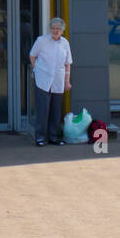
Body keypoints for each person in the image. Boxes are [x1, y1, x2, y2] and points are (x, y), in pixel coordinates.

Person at [28, 17, 72, 146]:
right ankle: (40, 137)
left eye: (58, 29)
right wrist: (36, 70)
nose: (55, 31)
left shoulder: (65, 43)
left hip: (58, 80)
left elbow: (68, 63)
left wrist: (67, 81)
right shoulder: (41, 41)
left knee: (56, 110)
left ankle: (53, 137)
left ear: (62, 30)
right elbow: (32, 55)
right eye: (53, 28)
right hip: (43, 80)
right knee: (43, 110)